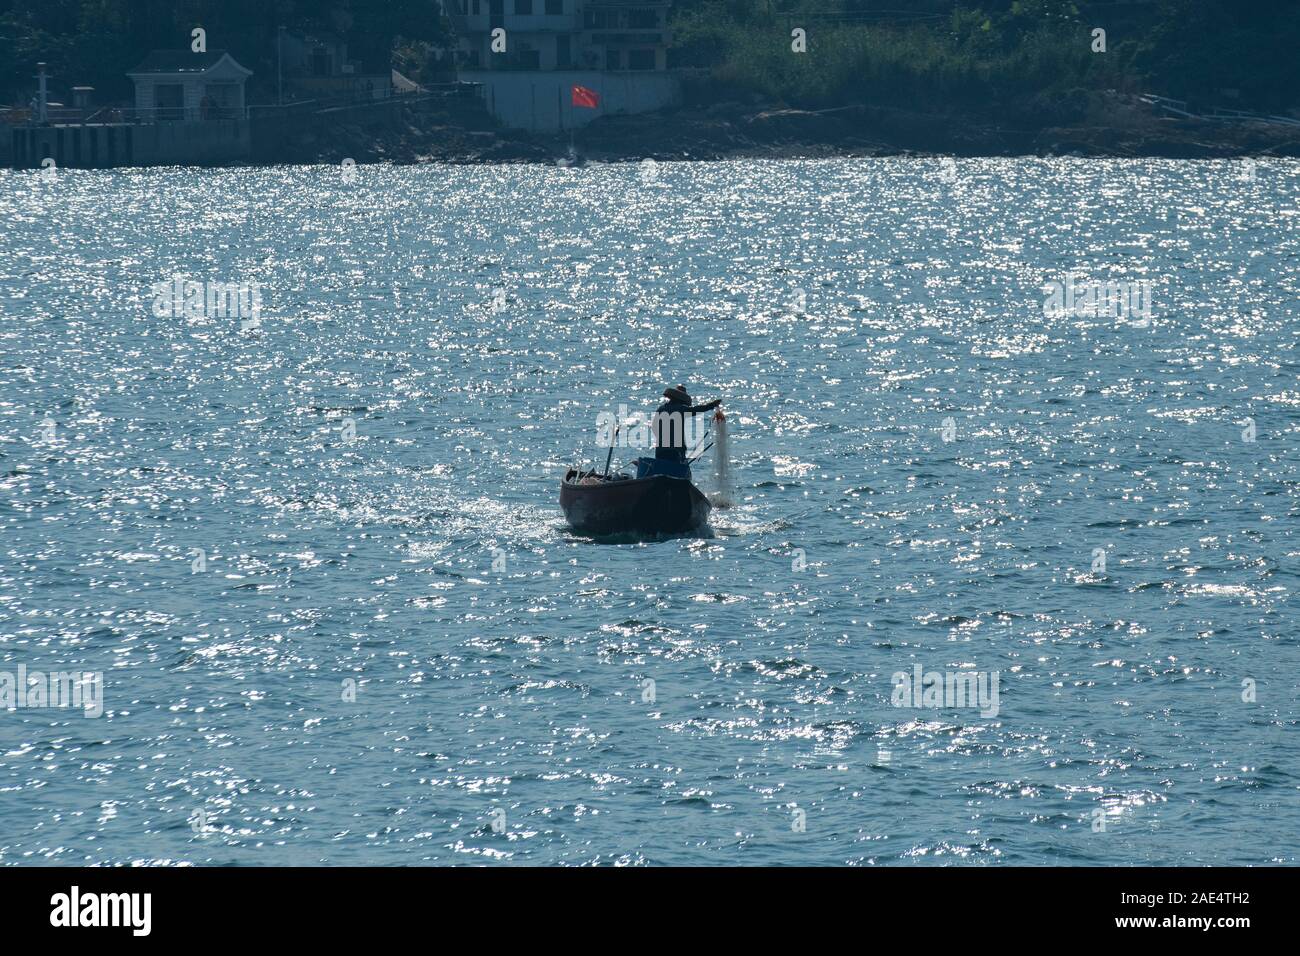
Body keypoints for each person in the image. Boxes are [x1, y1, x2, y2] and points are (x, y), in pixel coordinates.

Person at [653, 385, 721, 464]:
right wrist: (712, 405)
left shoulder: (661, 409)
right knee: (678, 464)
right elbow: (696, 410)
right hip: (676, 451)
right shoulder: (681, 409)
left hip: (660, 450)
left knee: (661, 464)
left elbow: (654, 427)